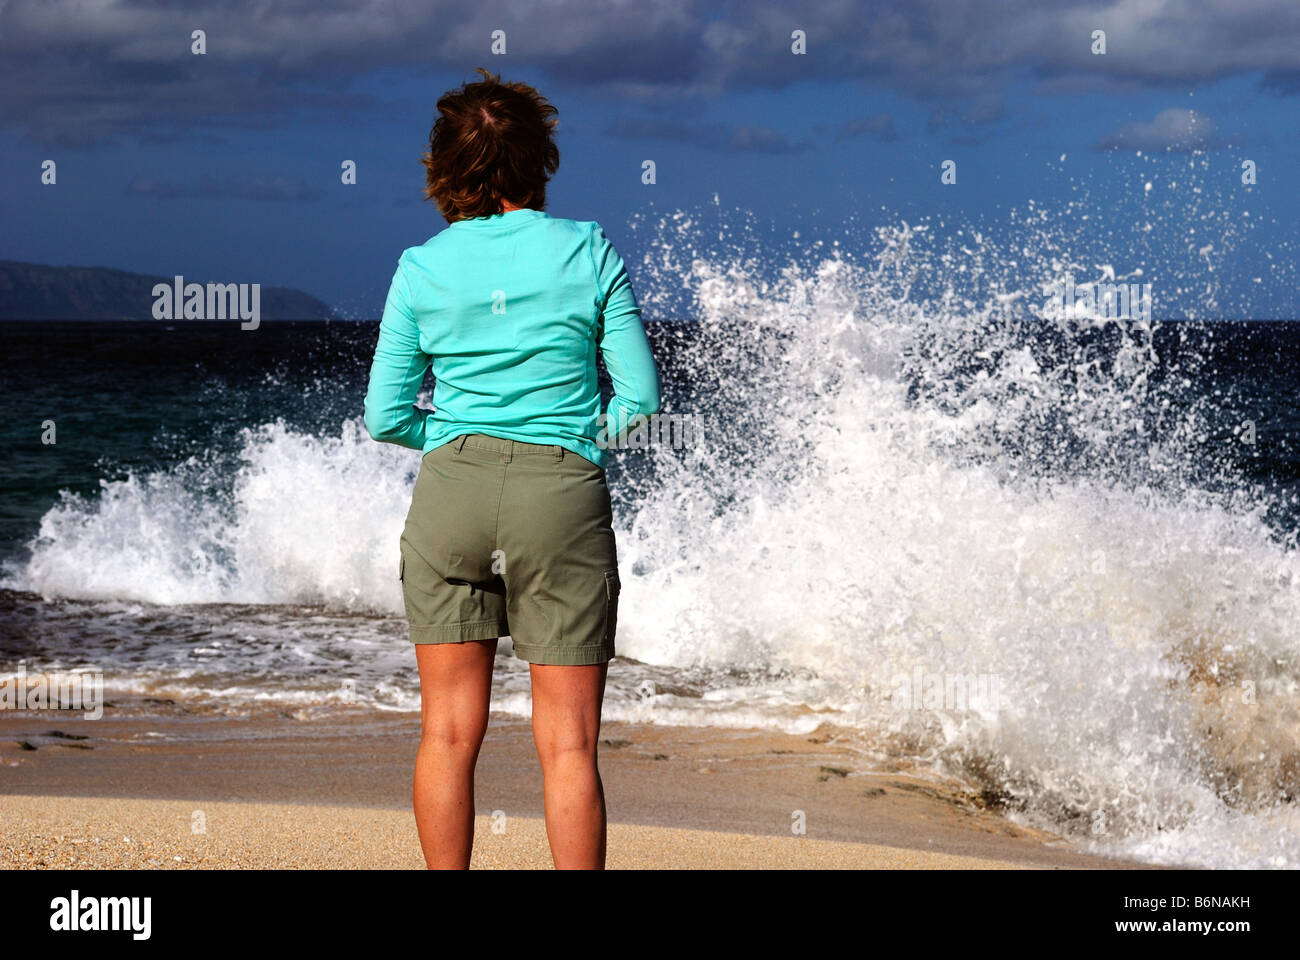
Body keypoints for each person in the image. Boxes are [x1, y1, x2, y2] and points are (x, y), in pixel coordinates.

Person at [362, 67, 661, 870]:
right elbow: (639, 398)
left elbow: (385, 415)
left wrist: (461, 442)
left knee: (449, 734)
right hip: (559, 491)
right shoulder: (587, 249)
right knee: (567, 745)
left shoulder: (421, 267)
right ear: (539, 160)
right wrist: (573, 442)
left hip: (451, 494)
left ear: (443, 169)